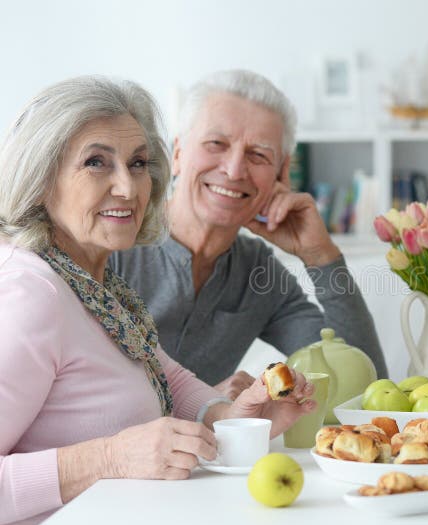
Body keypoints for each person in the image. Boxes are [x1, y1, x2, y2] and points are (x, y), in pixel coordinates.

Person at [0, 77, 315, 525]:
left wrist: (234, 416)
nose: (128, 188)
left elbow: (165, 377)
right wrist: (107, 457)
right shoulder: (31, 294)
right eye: (96, 163)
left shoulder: (95, 284)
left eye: (138, 163)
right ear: (41, 177)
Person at [109, 70, 387, 399]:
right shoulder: (113, 242)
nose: (234, 169)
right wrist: (206, 405)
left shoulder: (259, 272)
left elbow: (365, 384)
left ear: (281, 173)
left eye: (258, 155)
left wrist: (320, 255)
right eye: (216, 144)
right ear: (179, 153)